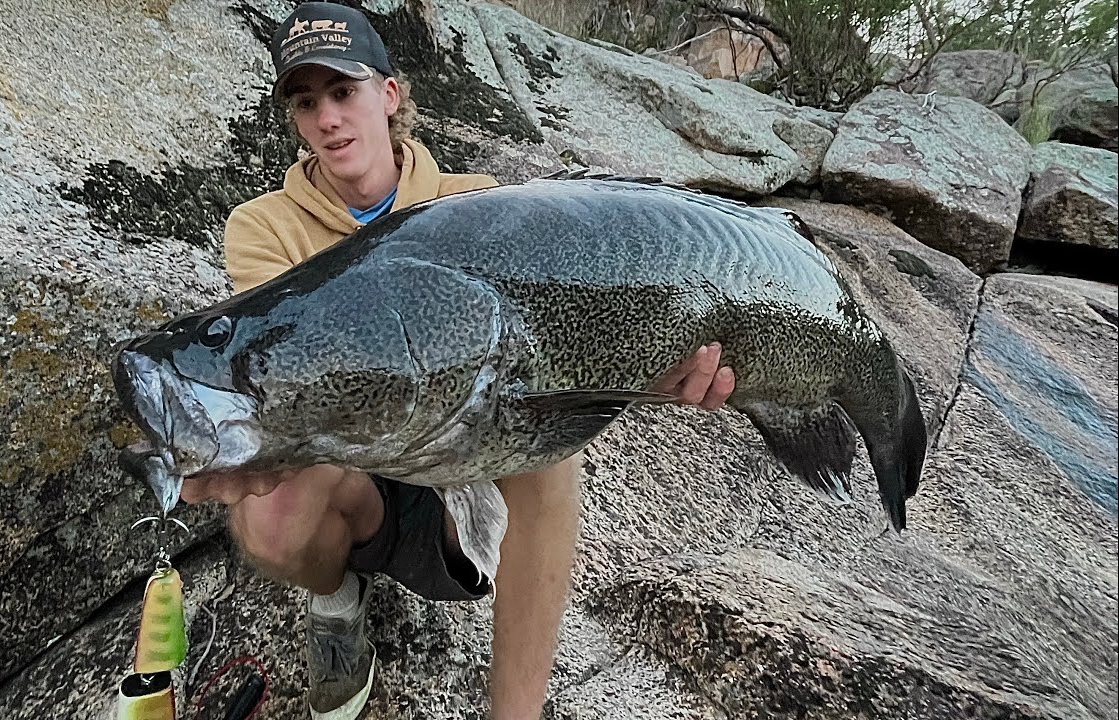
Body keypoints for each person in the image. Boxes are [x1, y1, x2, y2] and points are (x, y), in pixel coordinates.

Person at [180, 4, 736, 719]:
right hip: (352, 477)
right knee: (271, 517)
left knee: (550, 461)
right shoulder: (264, 228)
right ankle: (338, 600)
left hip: (460, 479)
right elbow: (283, 372)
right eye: (306, 101)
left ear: (387, 94)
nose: (328, 119)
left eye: (343, 91)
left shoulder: (475, 204)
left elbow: (551, 348)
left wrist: (647, 374)